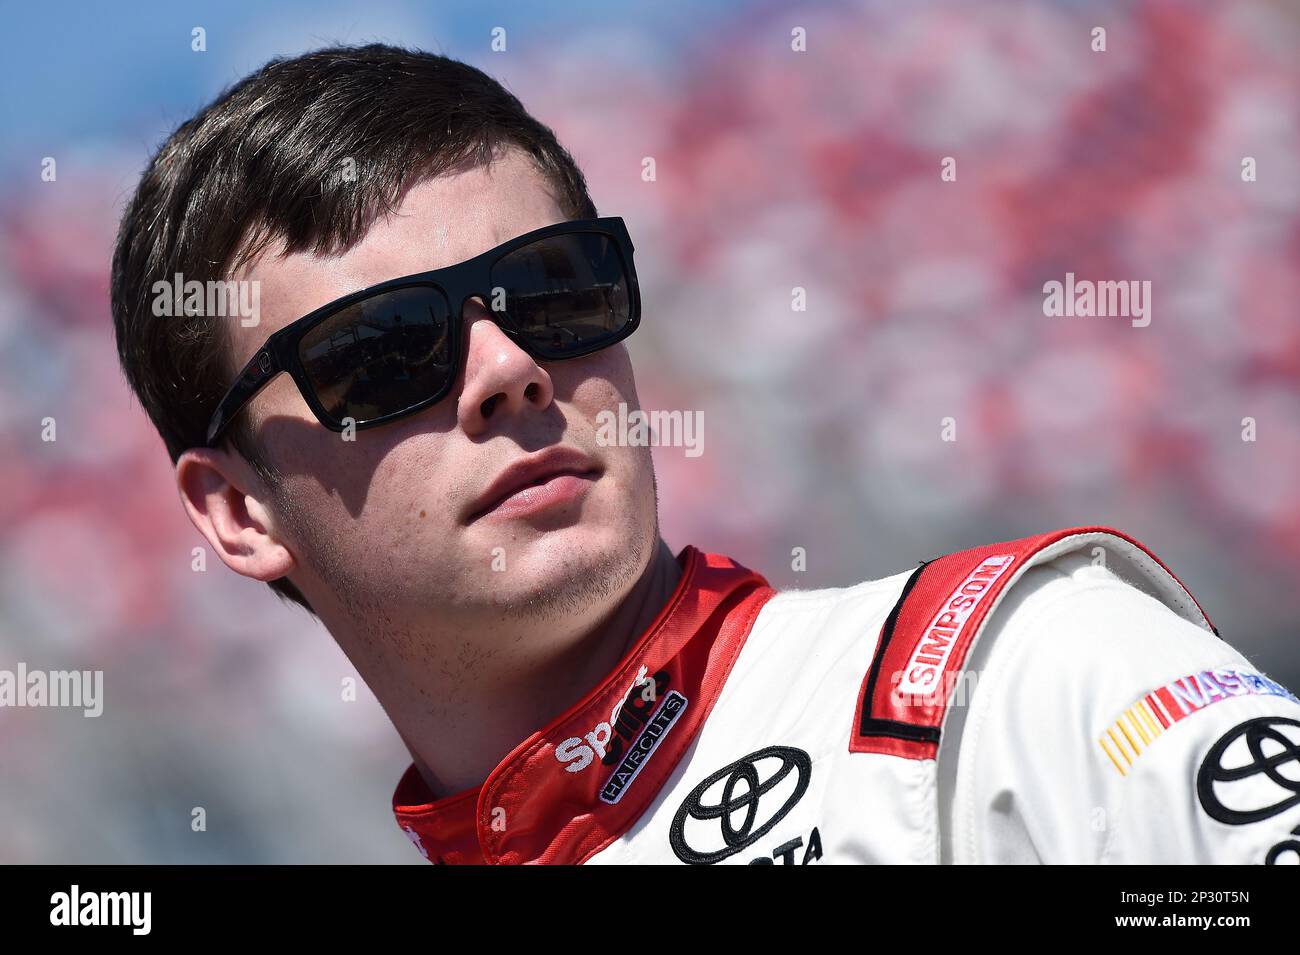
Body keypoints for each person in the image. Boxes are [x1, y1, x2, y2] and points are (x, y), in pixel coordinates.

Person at [110, 43, 1300, 865]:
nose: (509, 368)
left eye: (551, 290)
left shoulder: (1017, 675)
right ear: (238, 511)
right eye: (380, 353)